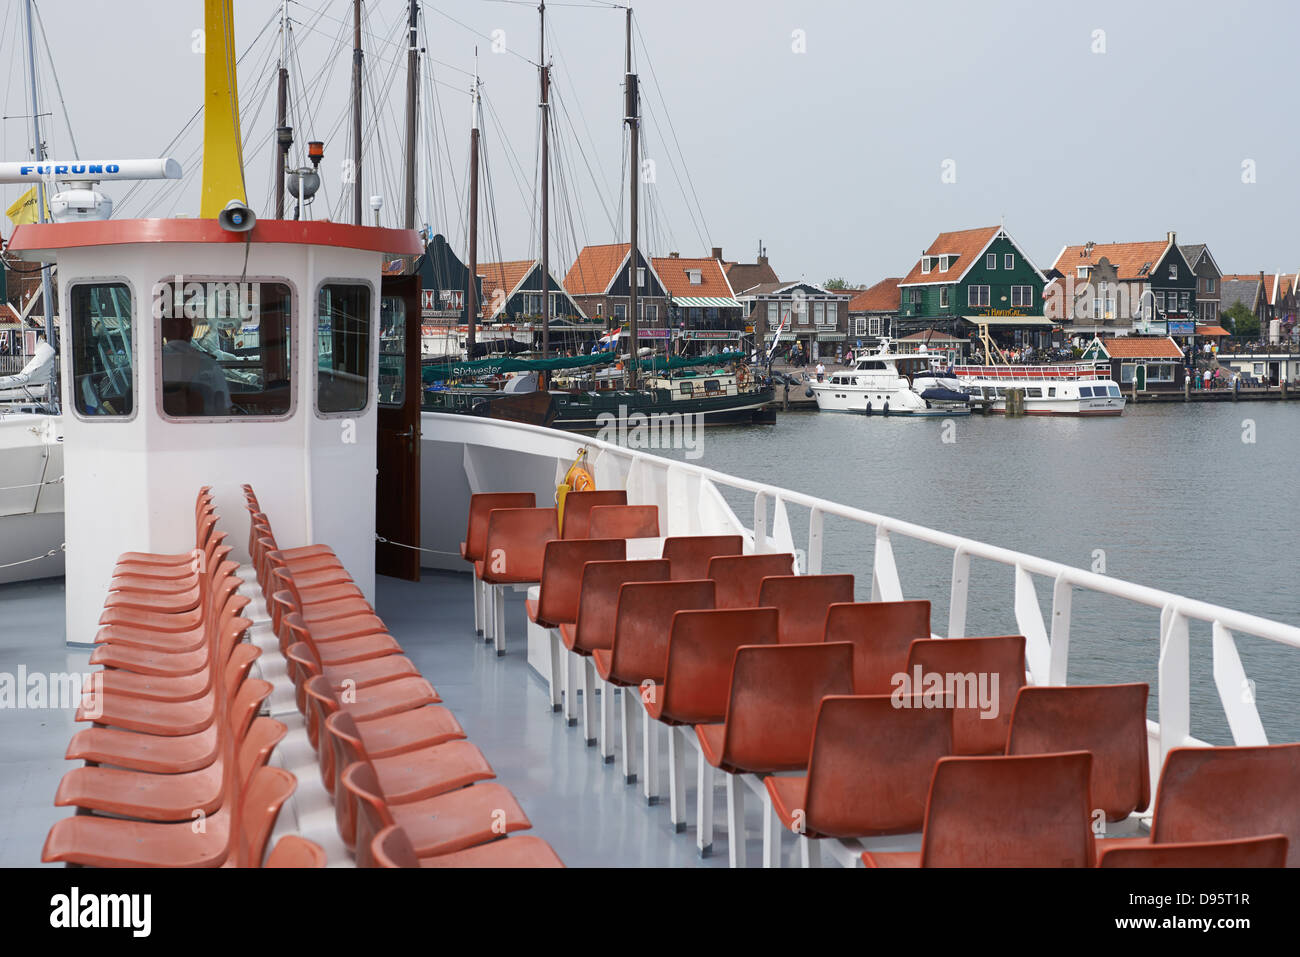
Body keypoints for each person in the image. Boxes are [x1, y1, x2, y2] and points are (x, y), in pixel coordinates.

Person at [161, 314, 232, 415]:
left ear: (163, 332)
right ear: (190, 332)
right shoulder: (210, 364)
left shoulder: (151, 366)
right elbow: (224, 410)